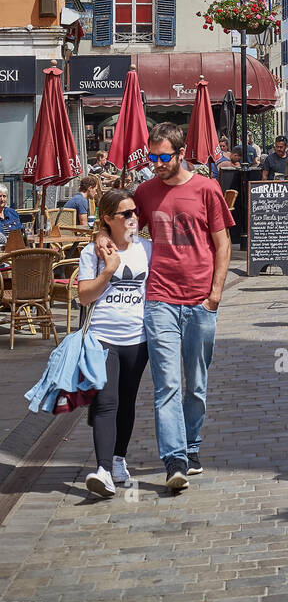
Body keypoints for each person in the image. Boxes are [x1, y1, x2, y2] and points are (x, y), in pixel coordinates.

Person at [92, 122, 234, 492]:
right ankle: (175, 459)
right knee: (167, 385)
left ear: (180, 152)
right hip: (159, 300)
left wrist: (215, 293)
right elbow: (116, 214)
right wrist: (99, 236)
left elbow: (222, 244)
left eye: (162, 157)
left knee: (196, 385)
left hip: (200, 300)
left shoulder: (206, 188)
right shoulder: (146, 191)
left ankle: (192, 445)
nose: (155, 163)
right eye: (151, 156)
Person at [78, 189, 153, 499]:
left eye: (135, 212)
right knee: (106, 401)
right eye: (126, 214)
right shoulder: (91, 253)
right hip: (102, 337)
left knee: (127, 400)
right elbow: (84, 296)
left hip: (138, 338)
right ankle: (104, 470)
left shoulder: (147, 248)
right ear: (108, 219)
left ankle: (120, 459)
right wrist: (108, 269)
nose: (134, 218)